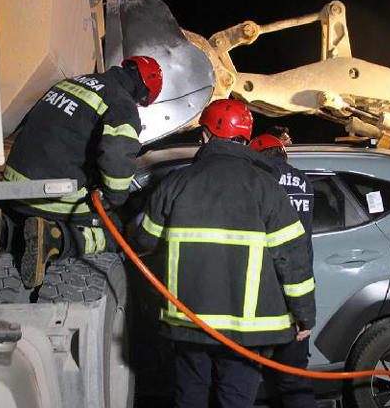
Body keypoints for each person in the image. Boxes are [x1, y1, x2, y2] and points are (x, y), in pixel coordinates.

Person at [134, 99, 316, 408]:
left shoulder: (176, 182)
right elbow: (293, 256)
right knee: (234, 399)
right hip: (245, 330)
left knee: (190, 396)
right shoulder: (267, 187)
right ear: (245, 139)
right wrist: (304, 315)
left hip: (189, 322)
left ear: (205, 136)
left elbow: (145, 241)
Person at [0, 56, 163, 288]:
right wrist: (116, 198)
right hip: (52, 195)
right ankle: (54, 239)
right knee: (114, 233)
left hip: (13, 186)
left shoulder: (72, 82)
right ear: (143, 94)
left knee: (30, 220)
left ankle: (3, 231)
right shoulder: (122, 104)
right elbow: (116, 158)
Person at [249, 134, 316, 408]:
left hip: (259, 294)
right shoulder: (304, 181)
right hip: (297, 289)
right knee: (293, 380)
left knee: (242, 379)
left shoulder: (254, 182)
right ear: (283, 155)